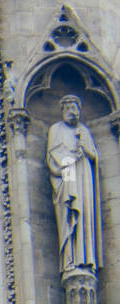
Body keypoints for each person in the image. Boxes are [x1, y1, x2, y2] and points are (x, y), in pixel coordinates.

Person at [47, 94, 103, 274]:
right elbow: (52, 155)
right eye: (68, 108)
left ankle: (85, 258)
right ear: (62, 111)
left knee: (85, 213)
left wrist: (84, 148)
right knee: (69, 208)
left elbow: (94, 156)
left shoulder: (84, 131)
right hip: (69, 173)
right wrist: (70, 158)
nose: (72, 112)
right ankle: (69, 259)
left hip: (84, 175)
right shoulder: (56, 129)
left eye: (74, 108)